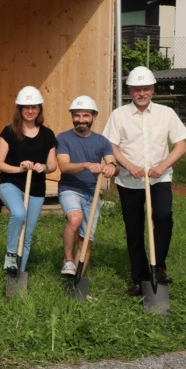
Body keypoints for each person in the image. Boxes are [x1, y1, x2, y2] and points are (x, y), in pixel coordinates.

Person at [103, 66, 186, 296]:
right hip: (129, 180)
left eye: (146, 88)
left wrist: (162, 166)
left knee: (163, 216)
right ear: (130, 90)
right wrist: (128, 166)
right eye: (137, 89)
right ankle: (139, 278)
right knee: (134, 229)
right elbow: (110, 146)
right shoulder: (118, 115)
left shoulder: (166, 113)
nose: (141, 93)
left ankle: (158, 266)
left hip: (159, 178)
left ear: (153, 89)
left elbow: (181, 145)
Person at [0, 86, 58, 274]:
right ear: (20, 109)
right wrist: (19, 168)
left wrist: (44, 167)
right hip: (11, 183)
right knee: (19, 213)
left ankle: (19, 273)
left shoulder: (48, 135)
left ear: (40, 109)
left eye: (34, 107)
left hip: (36, 187)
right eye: (26, 107)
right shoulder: (9, 132)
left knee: (28, 233)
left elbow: (53, 165)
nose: (30, 111)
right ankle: (10, 254)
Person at [57, 95, 118, 277]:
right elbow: (64, 166)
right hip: (70, 188)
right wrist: (85, 165)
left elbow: (113, 164)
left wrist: (110, 167)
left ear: (94, 117)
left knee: (86, 241)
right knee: (75, 219)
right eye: (77, 115)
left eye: (85, 116)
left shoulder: (102, 141)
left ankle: (77, 280)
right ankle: (68, 261)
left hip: (92, 193)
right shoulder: (63, 138)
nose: (81, 120)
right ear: (72, 116)